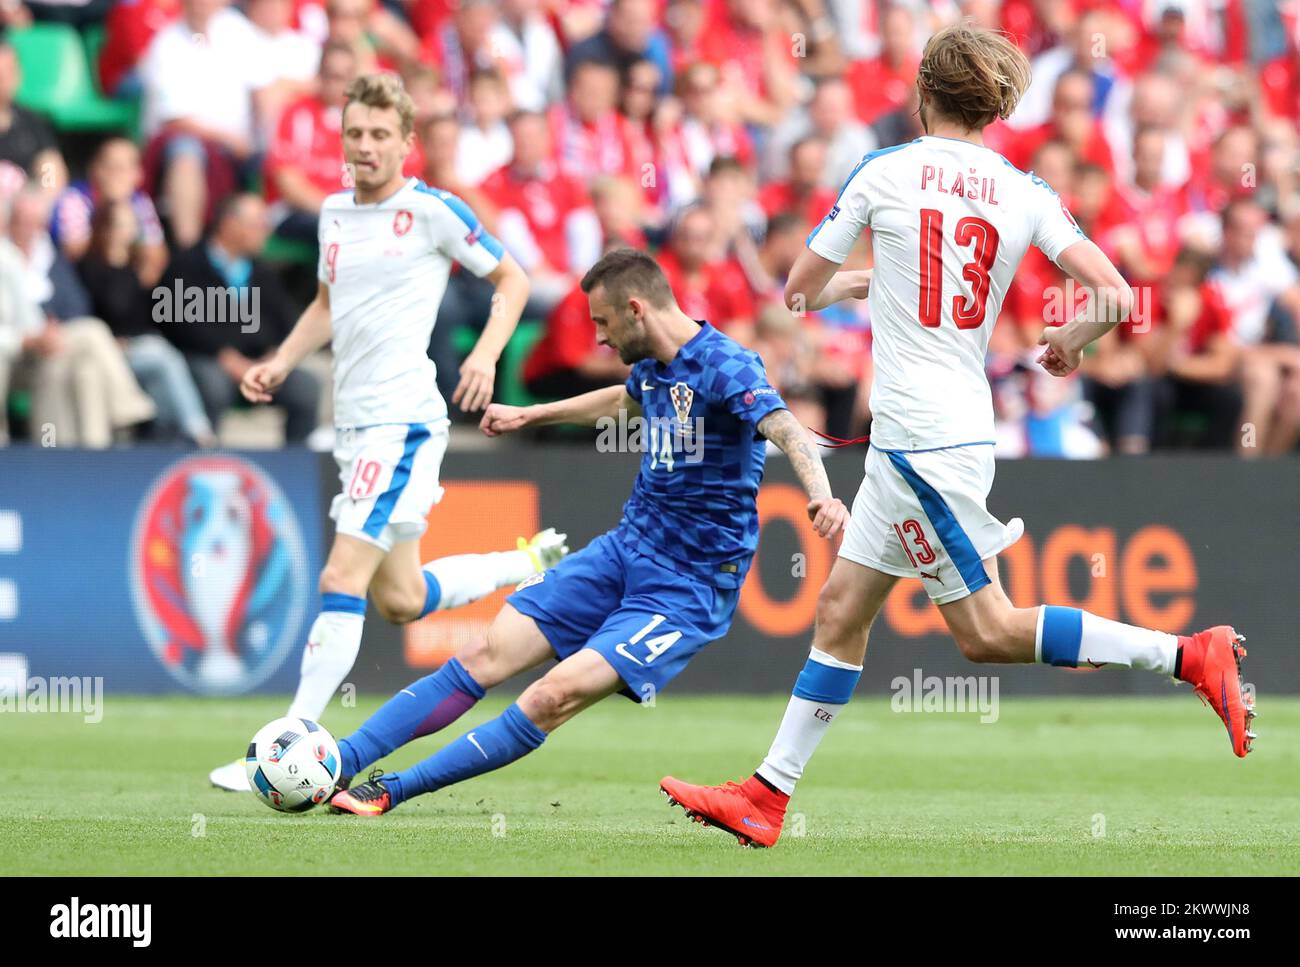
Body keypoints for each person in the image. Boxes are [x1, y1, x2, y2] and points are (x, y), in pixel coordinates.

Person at [660, 23, 1257, 849]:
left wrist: (869, 279)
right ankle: (767, 795)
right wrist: (1067, 343)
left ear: (921, 92)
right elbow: (1118, 295)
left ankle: (1189, 655)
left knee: (987, 632)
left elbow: (797, 291)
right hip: (943, 428)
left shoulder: (886, 170)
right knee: (839, 610)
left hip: (921, 444)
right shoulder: (1022, 189)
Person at [324, 248, 850, 816]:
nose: (598, 337)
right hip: (623, 552)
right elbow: (625, 401)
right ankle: (340, 760)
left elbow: (787, 429)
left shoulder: (729, 365)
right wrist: (533, 414)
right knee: (483, 652)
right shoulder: (653, 366)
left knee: (551, 696)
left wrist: (820, 493)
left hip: (686, 590)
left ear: (635, 309)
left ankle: (391, 790)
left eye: (601, 322)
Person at [207, 72, 564, 792]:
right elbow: (325, 304)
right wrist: (280, 361)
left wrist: (487, 353)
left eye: (379, 135)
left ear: (406, 143)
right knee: (399, 598)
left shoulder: (432, 211)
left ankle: (286, 749)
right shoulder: (334, 212)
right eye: (354, 134)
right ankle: (524, 565)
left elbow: (514, 281)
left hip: (402, 421)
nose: (364, 146)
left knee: (341, 574)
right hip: (355, 422)